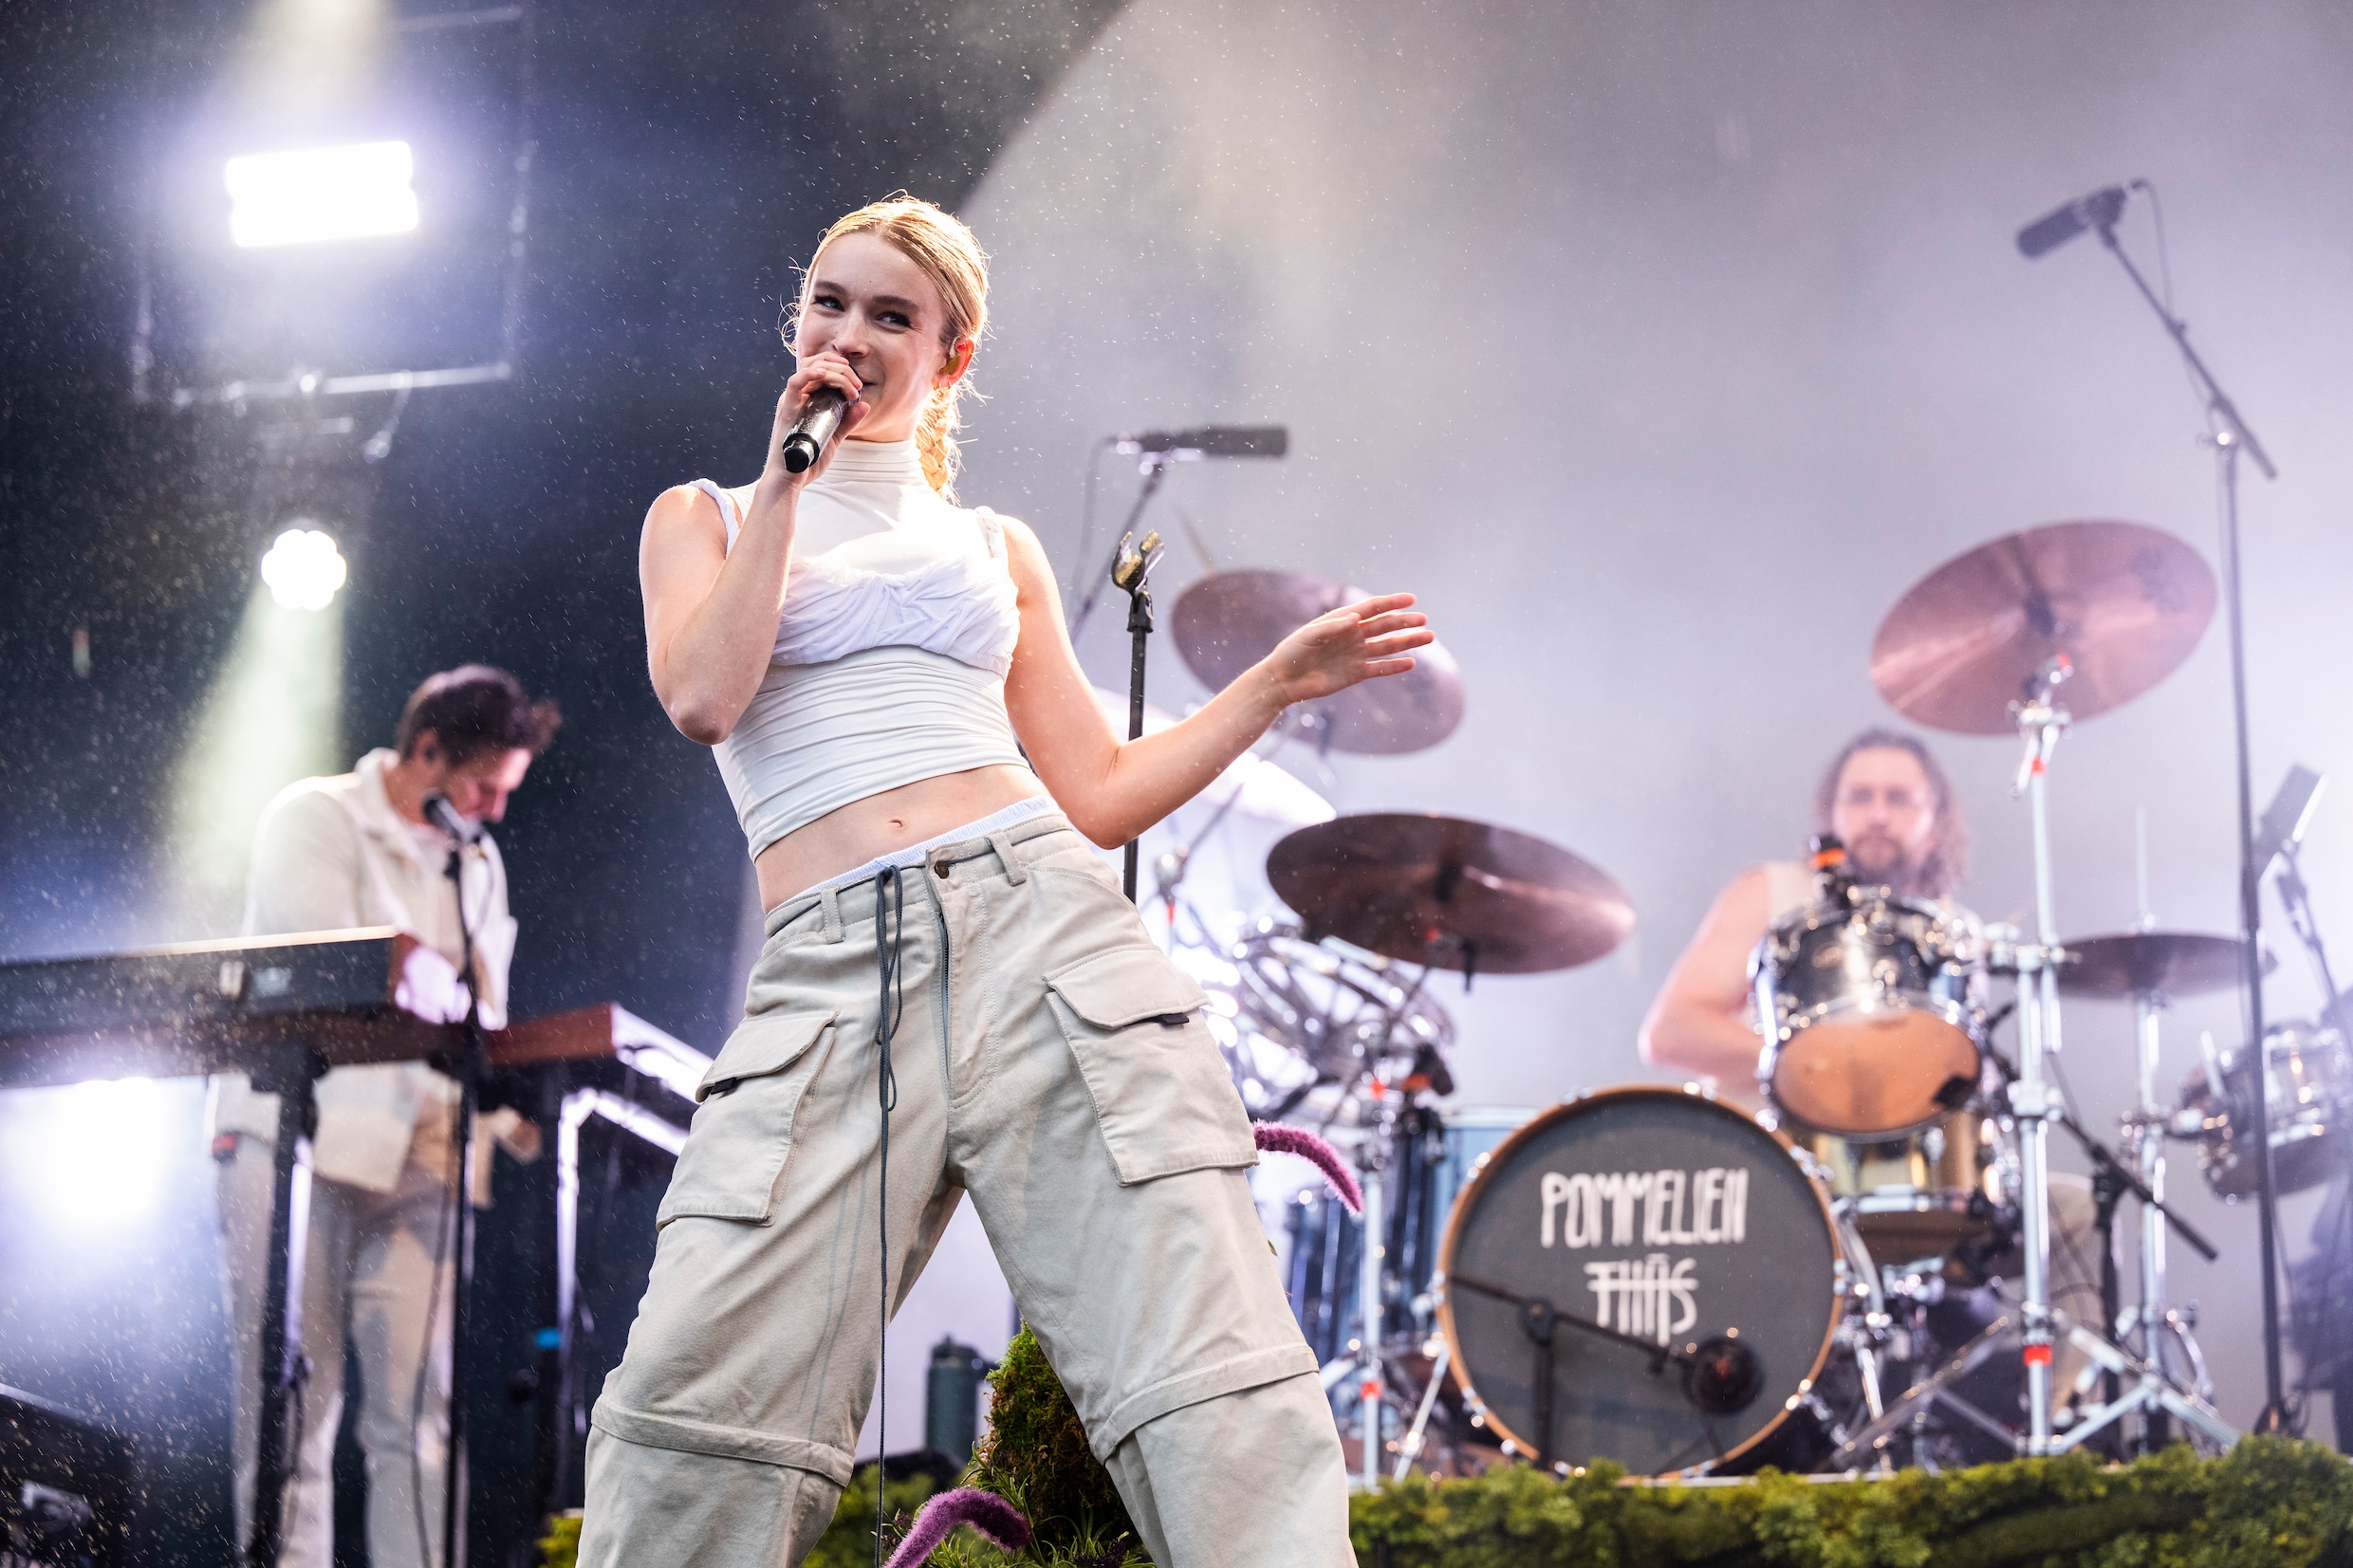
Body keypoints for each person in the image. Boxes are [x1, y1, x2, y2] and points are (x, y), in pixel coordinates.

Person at [580, 196, 1429, 1568]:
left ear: (952, 359)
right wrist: (787, 486)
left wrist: (1272, 686)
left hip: (1044, 932)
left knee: (1213, 1382)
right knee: (696, 1421)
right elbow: (704, 694)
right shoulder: (709, 515)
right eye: (830, 305)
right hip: (832, 975)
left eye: (891, 318)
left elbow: (1095, 795)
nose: (850, 337)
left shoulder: (997, 547)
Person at [1640, 727, 2103, 1436]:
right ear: (1831, 810)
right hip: (1782, 1180)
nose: (1878, 813)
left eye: (1899, 798)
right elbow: (1670, 1032)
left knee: (2075, 1210)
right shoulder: (1773, 892)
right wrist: (1814, 1066)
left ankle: (2058, 1427)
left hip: (1924, 1183)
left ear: (1936, 817)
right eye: (1860, 796)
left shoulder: (1955, 931)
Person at [210, 664, 560, 1568]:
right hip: (296, 1141)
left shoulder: (479, 861)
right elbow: (333, 988)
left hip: (422, 1162)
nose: (495, 808)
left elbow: (486, 1014)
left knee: (420, 1421)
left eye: (507, 791)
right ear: (427, 750)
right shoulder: (316, 818)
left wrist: (515, 1106)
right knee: (292, 1405)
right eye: (484, 784)